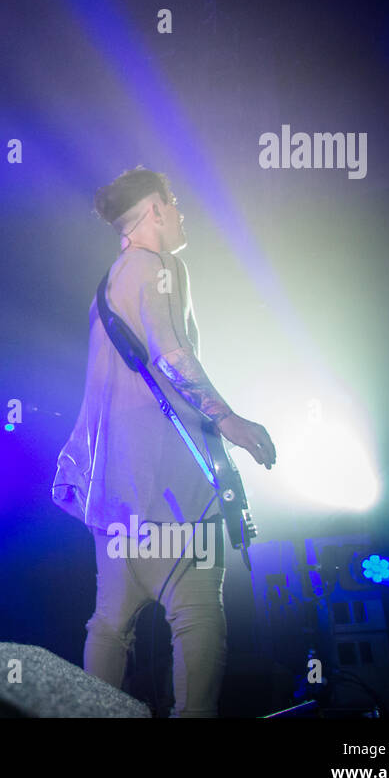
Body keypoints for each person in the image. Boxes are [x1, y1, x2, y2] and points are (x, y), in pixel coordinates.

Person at [51, 166, 275, 717]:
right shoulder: (163, 267)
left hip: (115, 493)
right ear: (153, 209)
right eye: (173, 203)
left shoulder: (109, 282)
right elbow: (172, 355)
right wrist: (231, 422)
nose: (180, 212)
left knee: (108, 625)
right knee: (197, 617)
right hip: (171, 485)